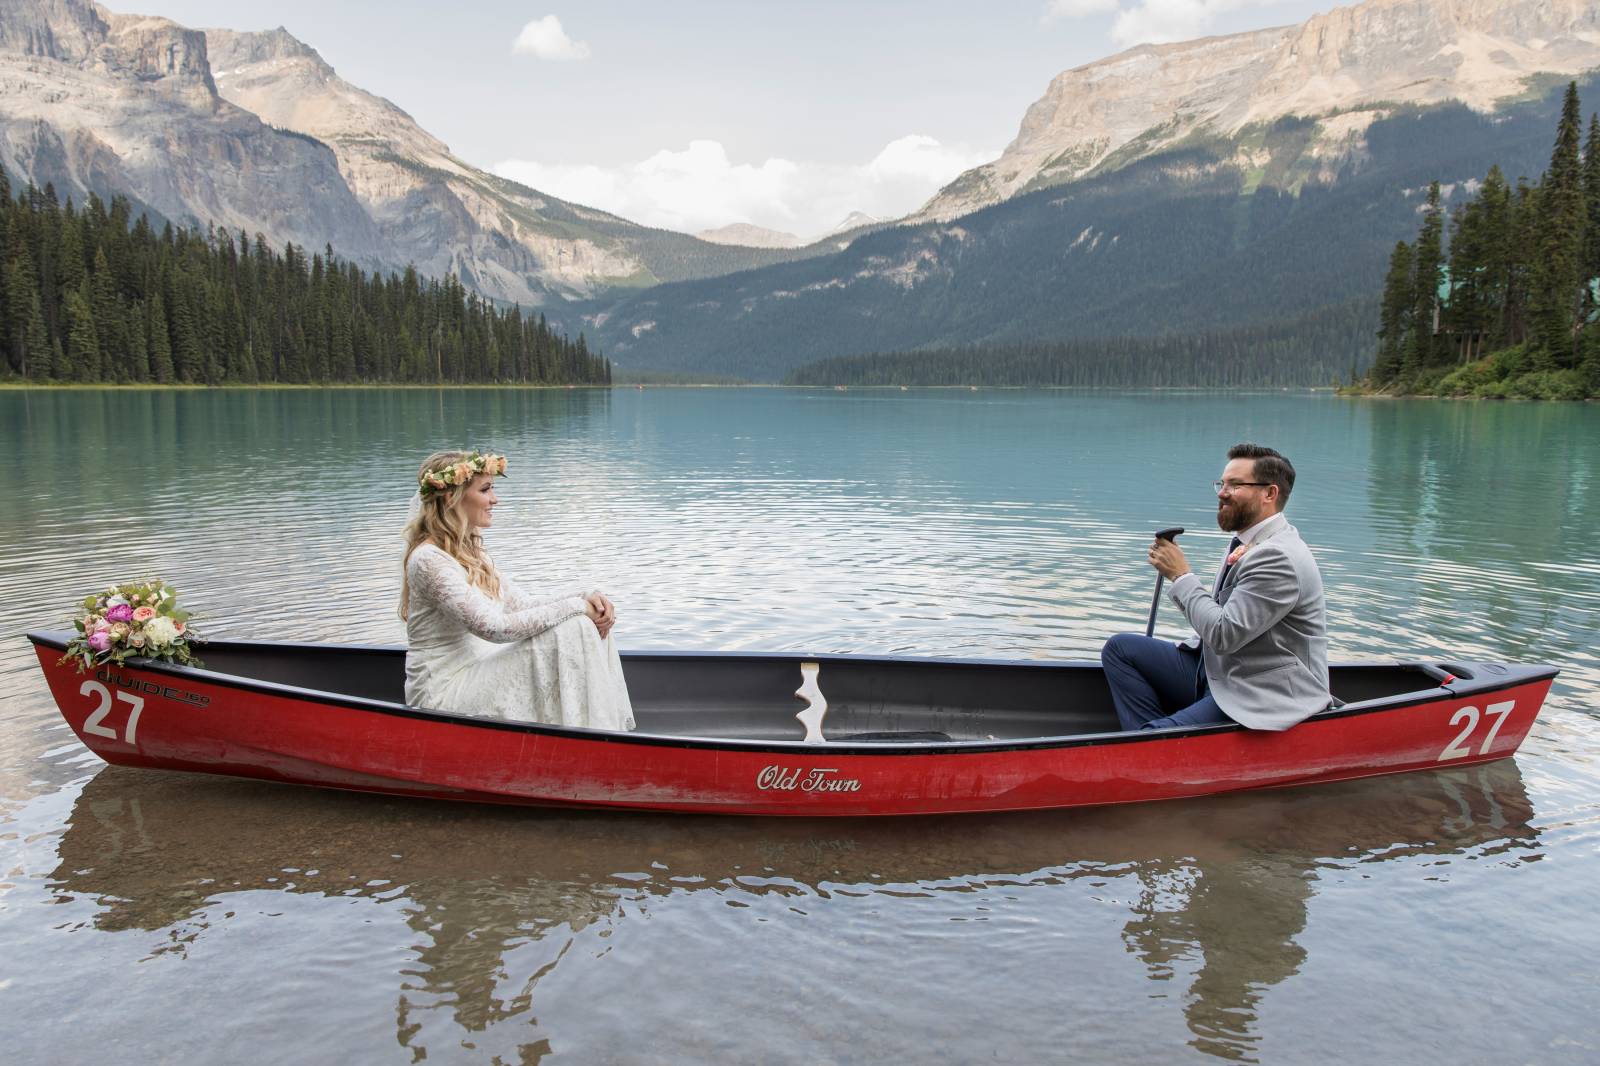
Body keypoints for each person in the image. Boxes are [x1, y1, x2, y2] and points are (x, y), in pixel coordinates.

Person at [399, 448, 635, 731]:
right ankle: (590, 738)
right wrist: (576, 608)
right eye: (485, 490)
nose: (495, 499)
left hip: (478, 669)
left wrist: (584, 597)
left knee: (587, 618)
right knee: (576, 626)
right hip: (443, 693)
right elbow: (495, 628)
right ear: (452, 497)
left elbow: (520, 605)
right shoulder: (428, 560)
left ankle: (596, 731)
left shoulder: (470, 551)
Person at [1101, 443, 1329, 732]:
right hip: (1218, 670)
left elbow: (1224, 635)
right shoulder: (1251, 538)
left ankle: (1151, 744)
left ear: (1269, 494)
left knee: (1153, 738)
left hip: (1259, 689)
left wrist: (1181, 575)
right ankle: (1148, 743)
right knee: (1120, 650)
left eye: (1235, 485)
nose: (1222, 493)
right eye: (1222, 483)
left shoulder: (1278, 557)